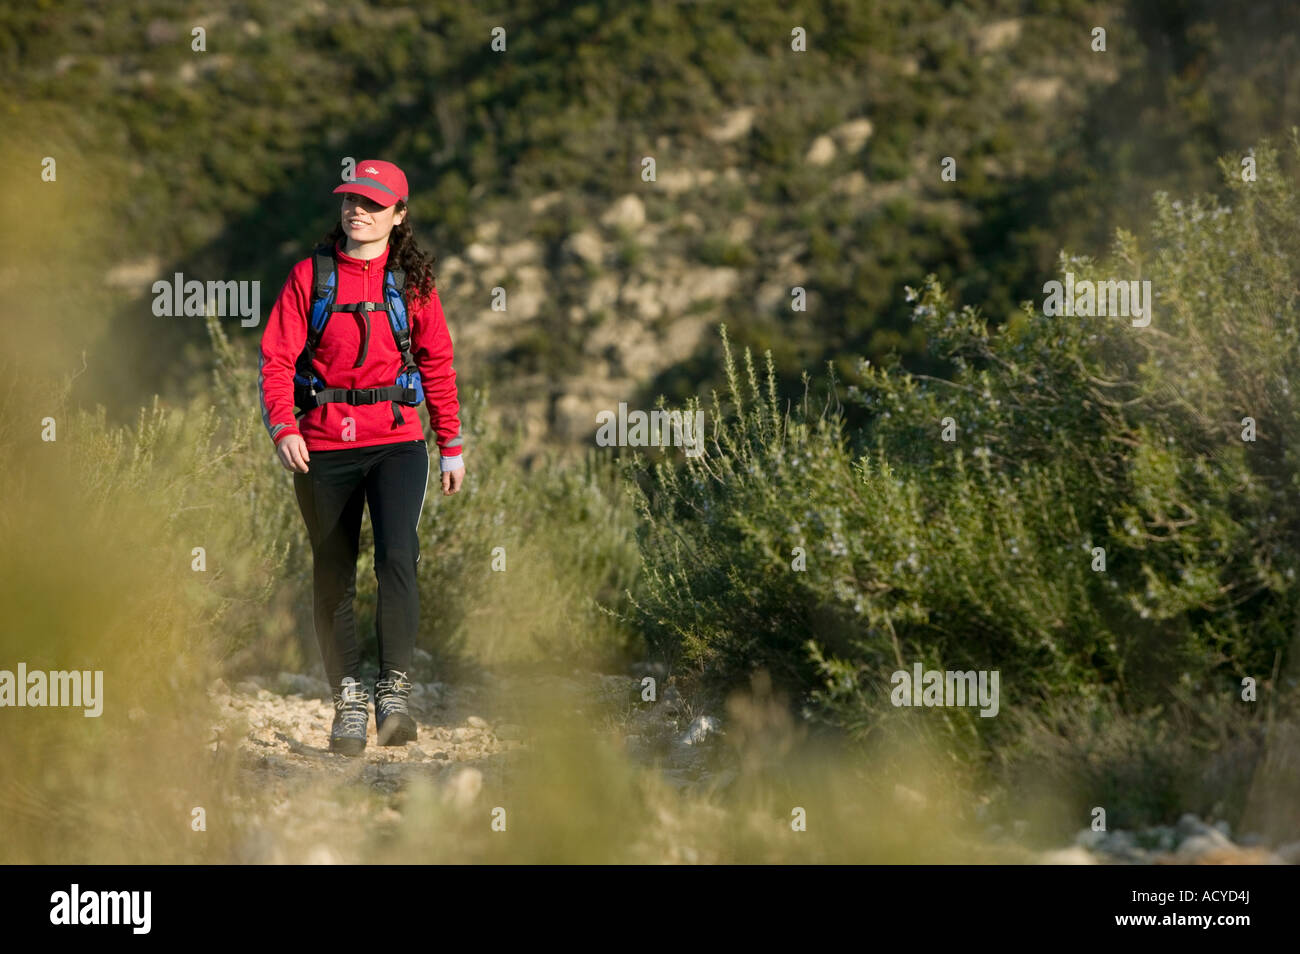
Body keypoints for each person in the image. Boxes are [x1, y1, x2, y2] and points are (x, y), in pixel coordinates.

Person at [257, 159, 465, 756]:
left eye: (374, 204)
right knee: (333, 570)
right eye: (350, 200)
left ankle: (392, 693)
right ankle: (348, 700)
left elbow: (438, 364)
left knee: (399, 556)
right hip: (321, 444)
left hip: (398, 440)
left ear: (398, 215)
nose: (358, 210)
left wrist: (449, 443)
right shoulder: (309, 277)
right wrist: (283, 427)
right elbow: (276, 361)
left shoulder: (411, 282)